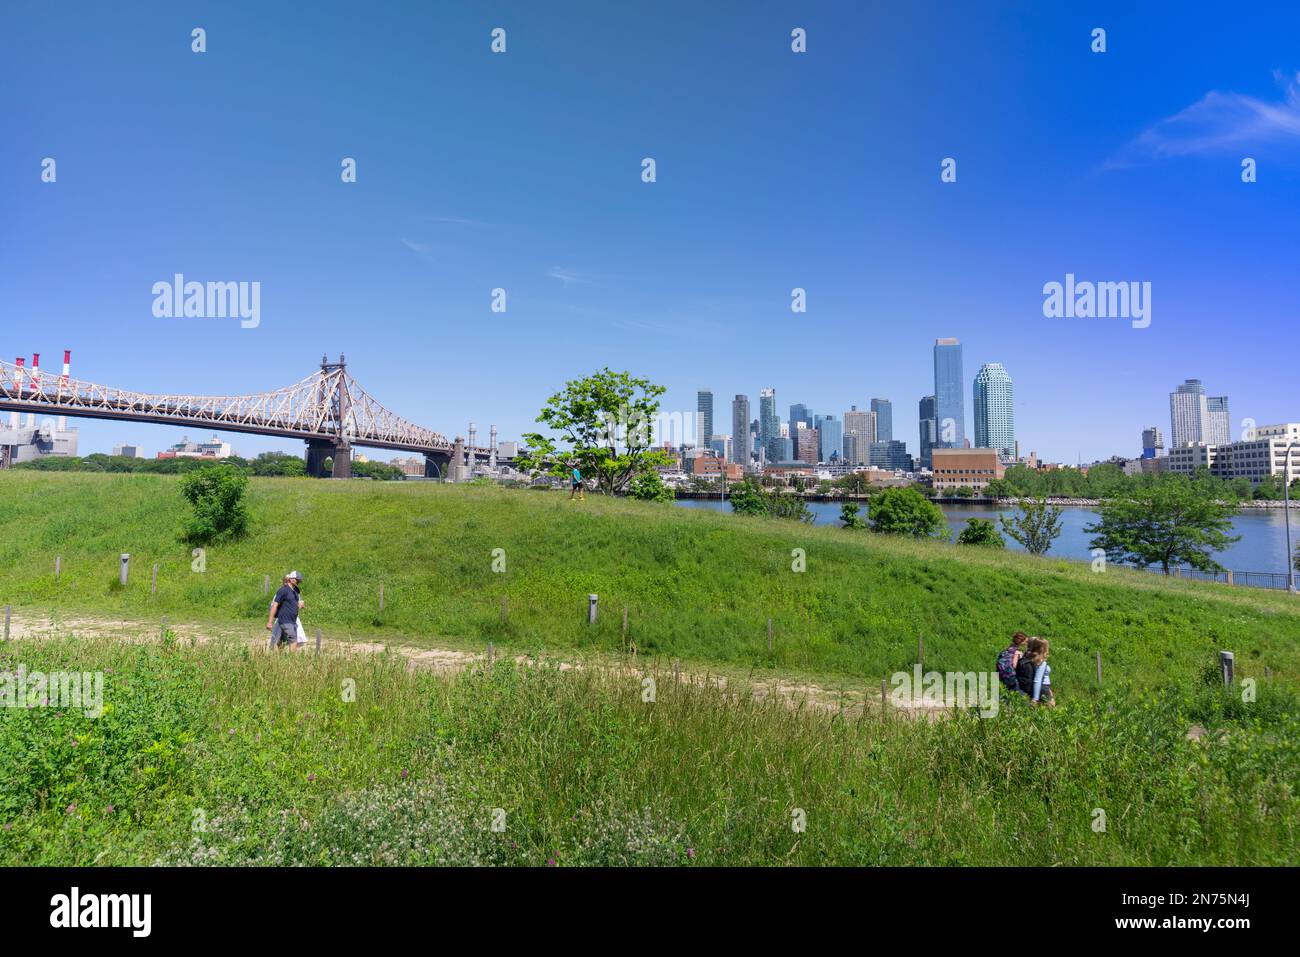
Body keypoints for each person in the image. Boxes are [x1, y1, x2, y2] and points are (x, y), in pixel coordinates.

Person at [266, 571, 303, 650]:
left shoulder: (296, 591)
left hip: (293, 621)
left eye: (299, 580)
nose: (299, 582)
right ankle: (293, 659)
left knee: (282, 641)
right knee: (293, 639)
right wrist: (270, 622)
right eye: (297, 580)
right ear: (291, 579)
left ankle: (278, 657)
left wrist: (300, 605)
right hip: (285, 620)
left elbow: (294, 603)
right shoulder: (283, 590)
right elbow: (274, 605)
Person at [1024, 636, 1055, 707]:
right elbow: (1037, 680)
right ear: (1044, 648)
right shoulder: (1041, 661)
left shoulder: (1029, 657)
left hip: (1041, 687)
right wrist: (1035, 698)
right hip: (1043, 688)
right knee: (1049, 709)